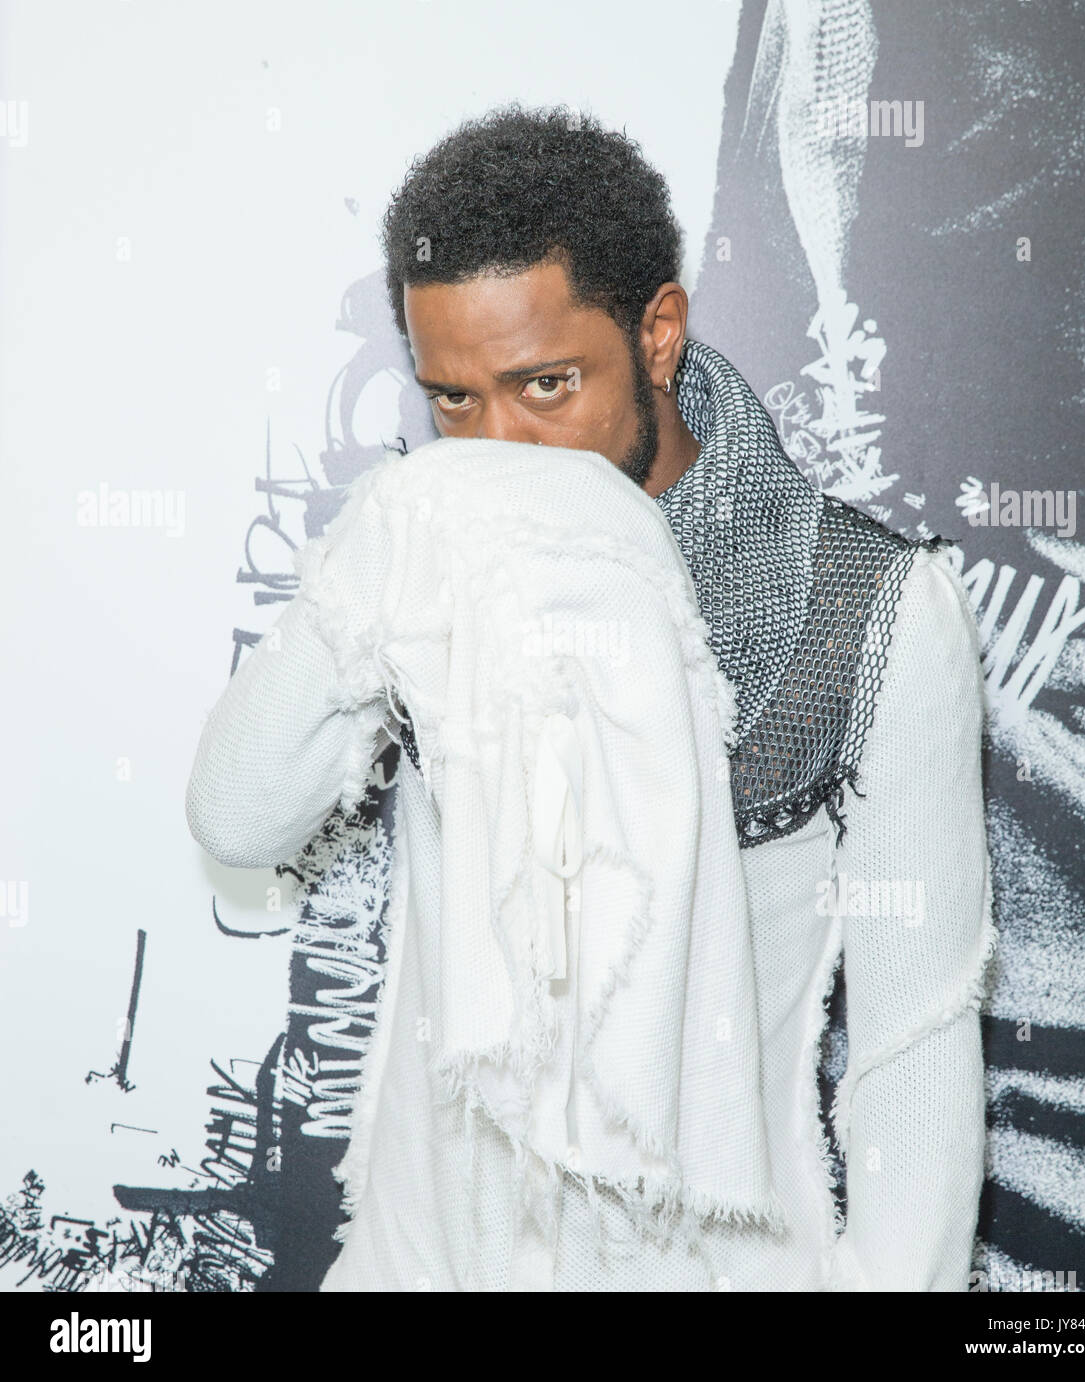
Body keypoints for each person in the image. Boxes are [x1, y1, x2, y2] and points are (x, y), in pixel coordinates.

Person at [186, 104, 996, 1291]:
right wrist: (388, 545)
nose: (500, 444)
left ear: (657, 334)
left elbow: (908, 1054)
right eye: (453, 399)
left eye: (546, 385)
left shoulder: (865, 604)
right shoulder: (429, 546)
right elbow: (240, 817)